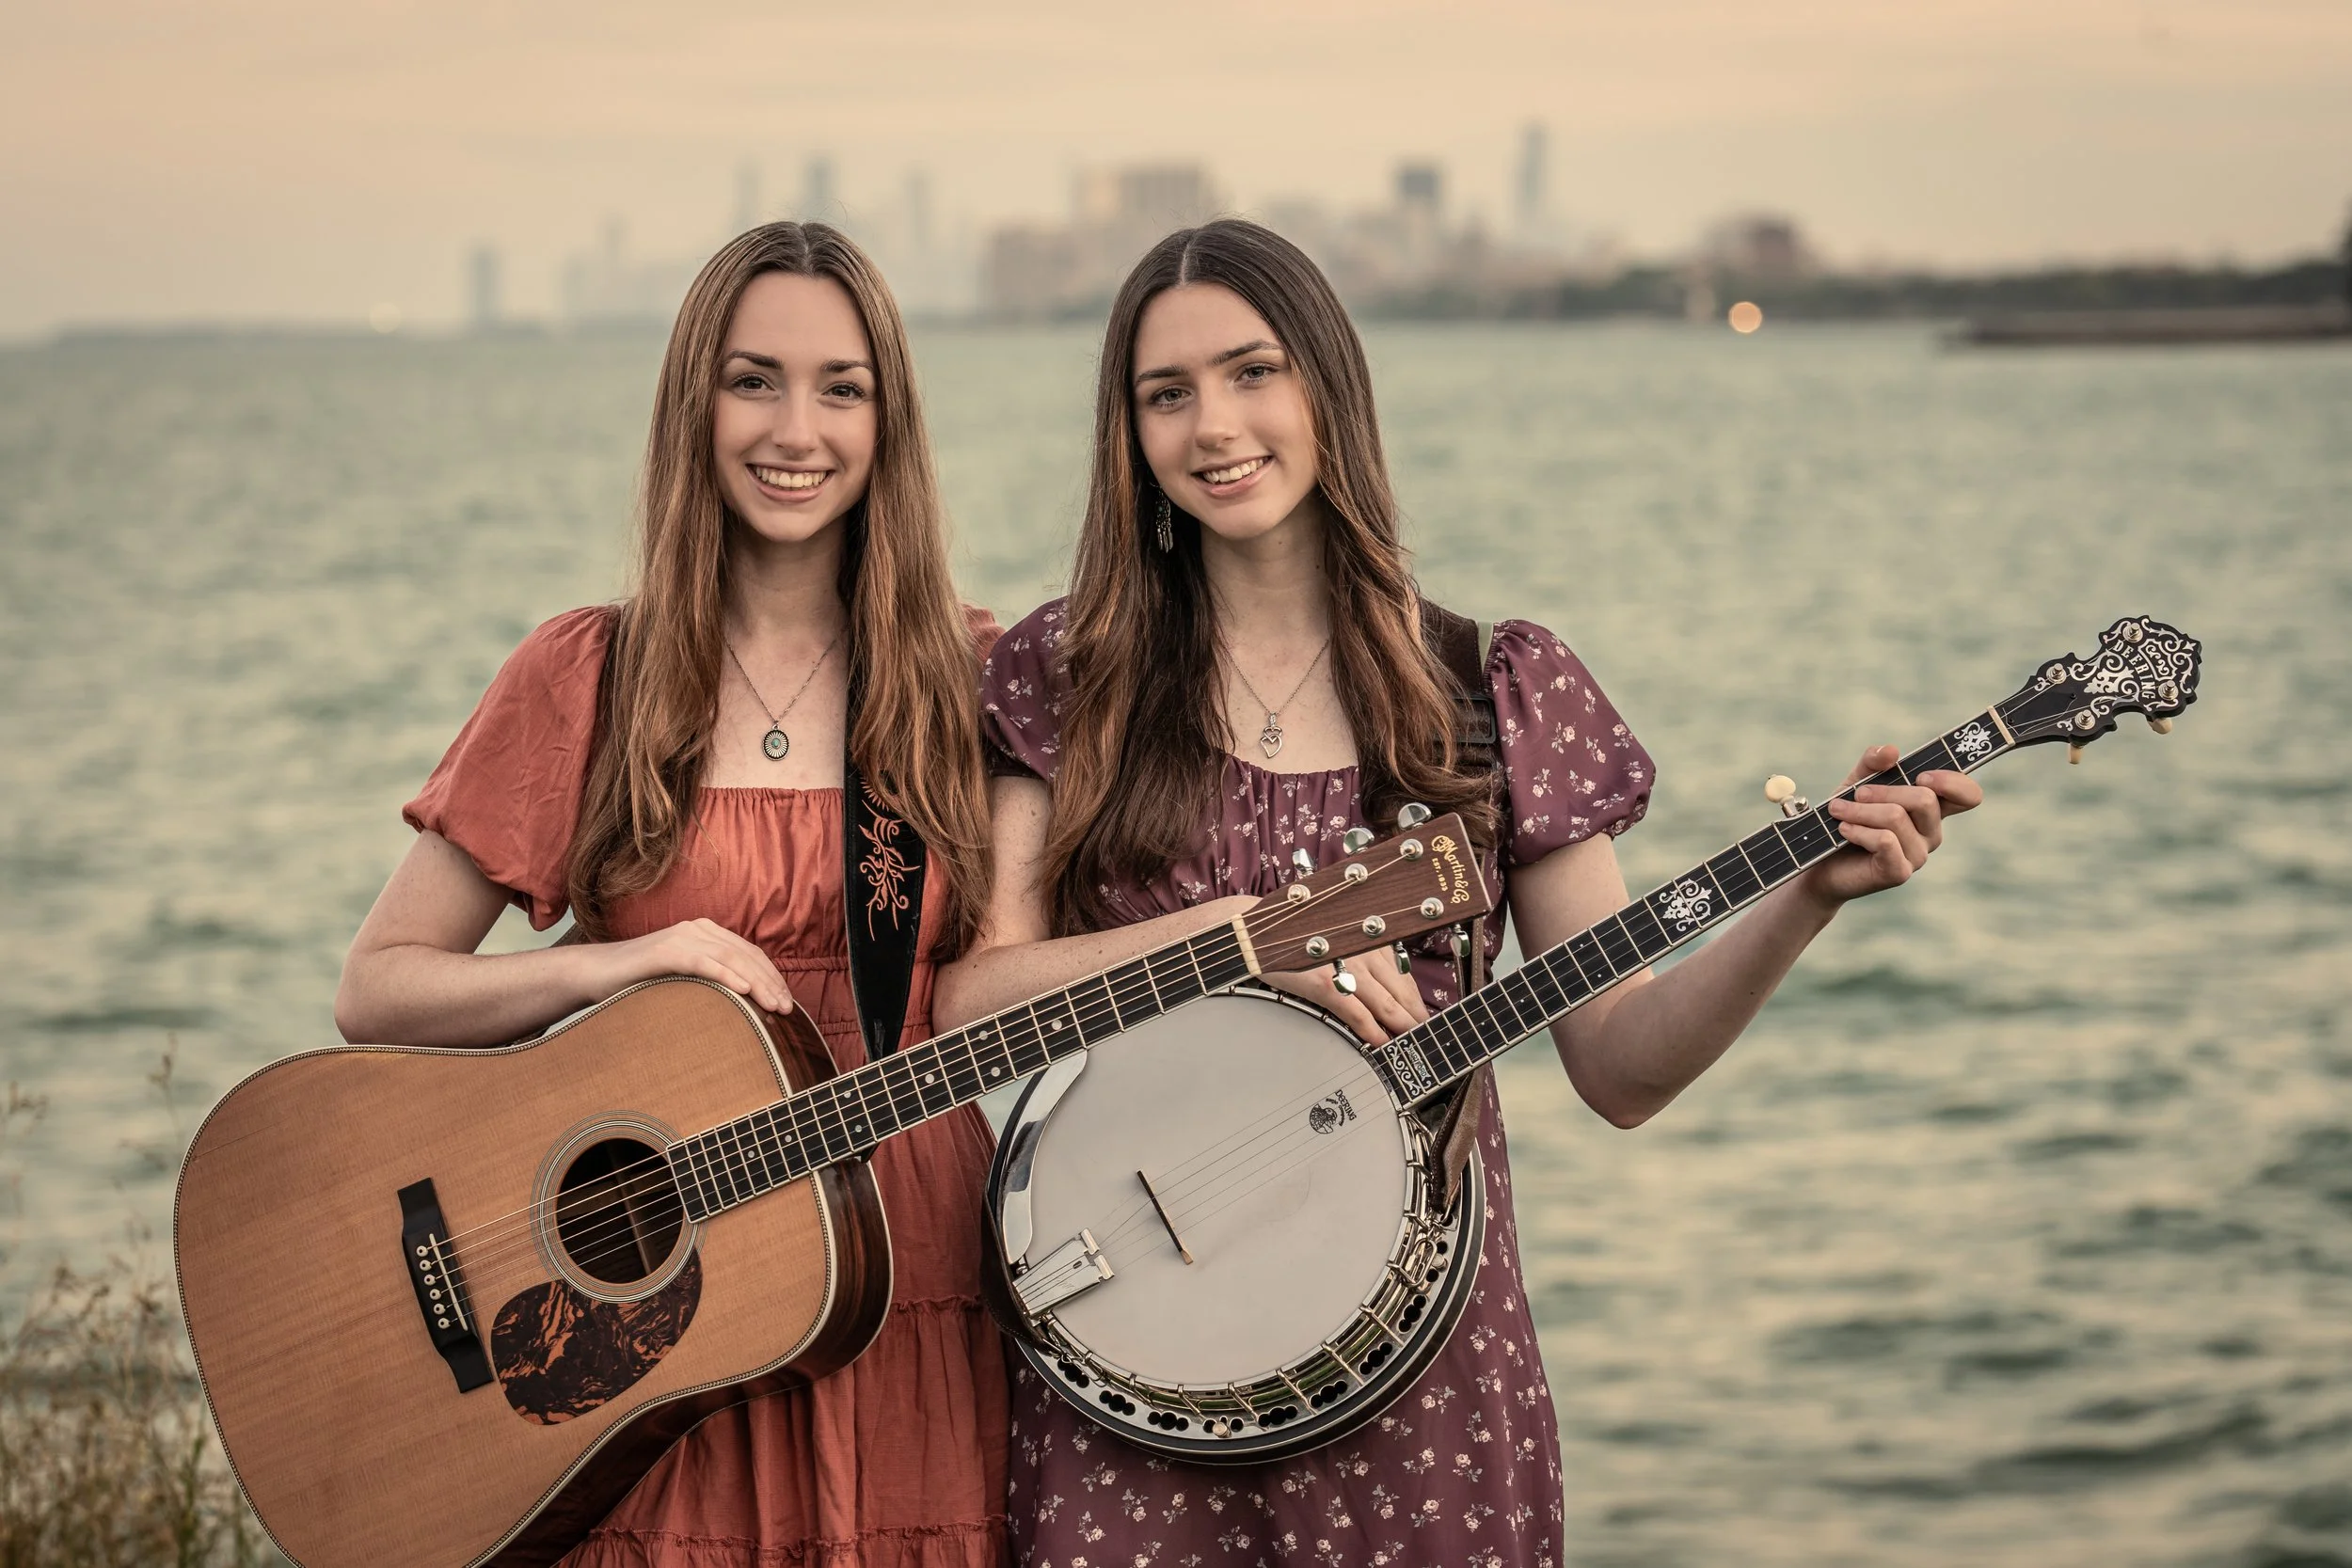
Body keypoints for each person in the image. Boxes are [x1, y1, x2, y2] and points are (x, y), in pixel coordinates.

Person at [933, 218, 1981, 1567]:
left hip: (1420, 1397)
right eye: (1167, 393)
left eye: (1254, 372)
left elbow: (1619, 1063)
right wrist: (1244, 946)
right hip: (1134, 1388)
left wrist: (1807, 899)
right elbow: (973, 1005)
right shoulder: (1069, 679)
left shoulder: (1490, 693)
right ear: (1126, 432)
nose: (1215, 425)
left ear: (1328, 386)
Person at [336, 222, 1009, 1568]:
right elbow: (380, 984)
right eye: (753, 379)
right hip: (656, 1292)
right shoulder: (589, 672)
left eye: (841, 386)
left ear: (890, 419)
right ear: (693, 399)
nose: (795, 428)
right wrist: (620, 964)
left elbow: (1043, 965)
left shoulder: (972, 679)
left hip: (904, 1266)